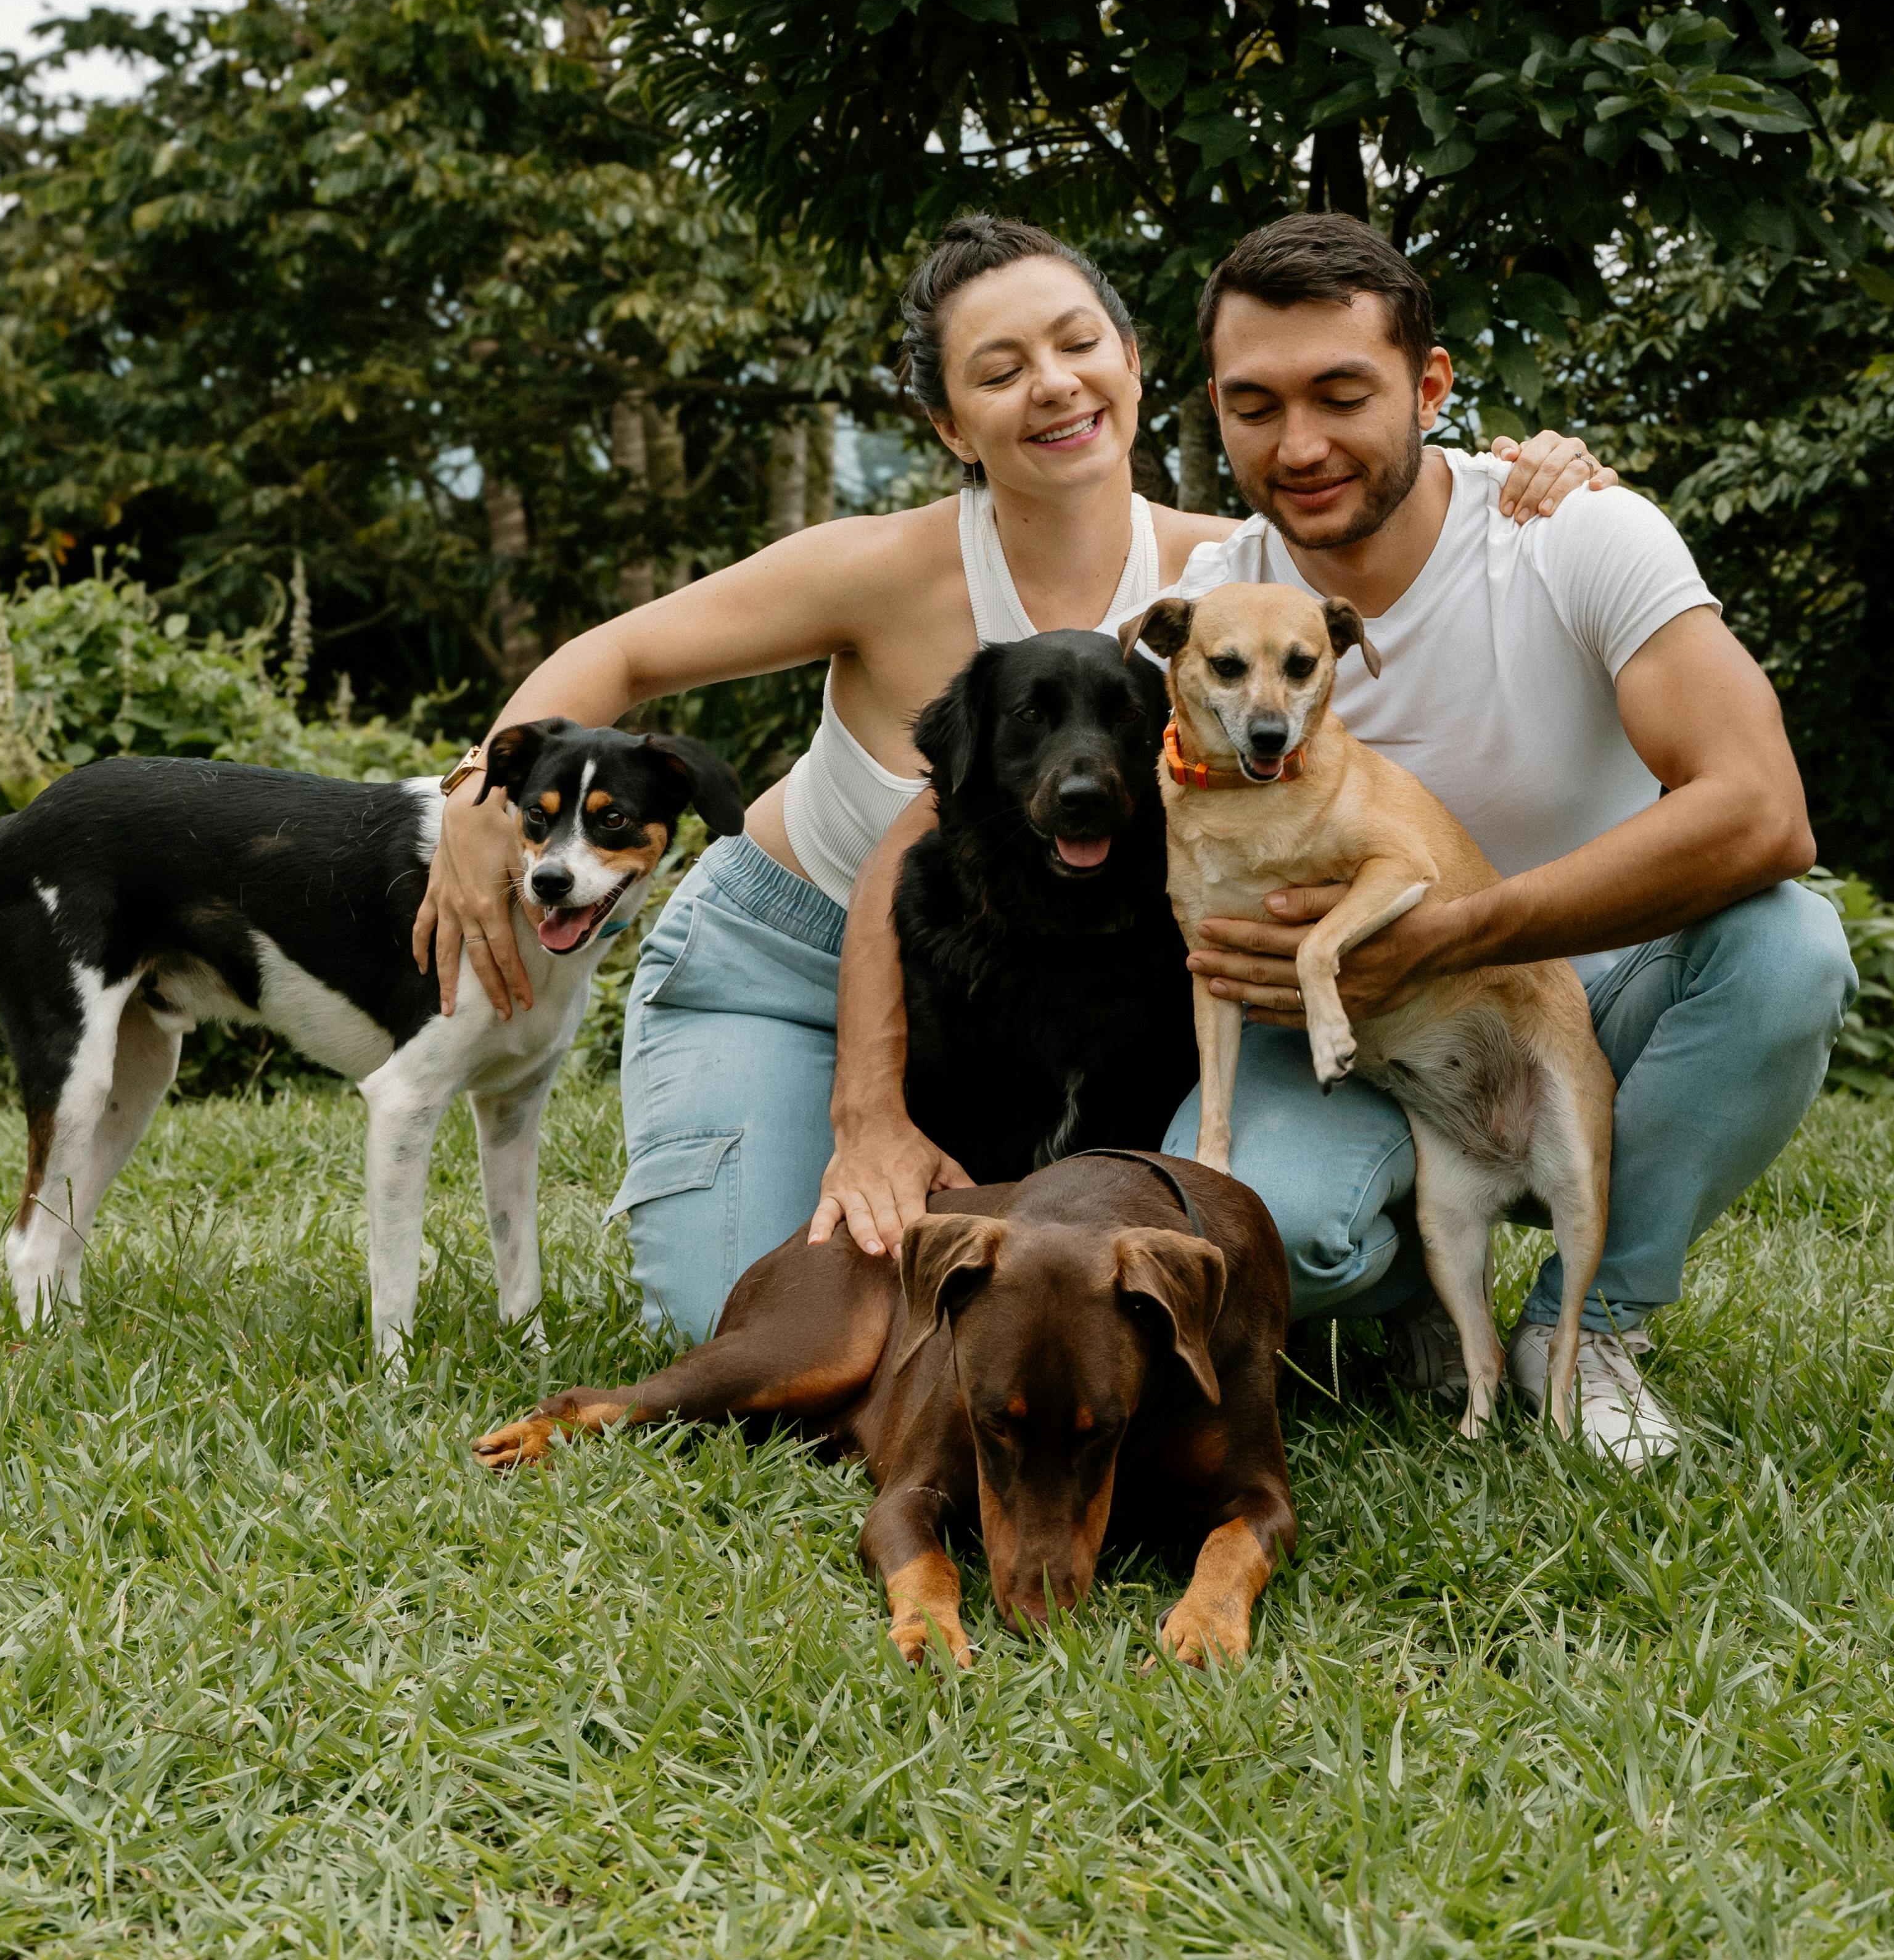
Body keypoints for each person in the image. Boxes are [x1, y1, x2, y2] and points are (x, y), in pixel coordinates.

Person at [410, 214, 1618, 1346]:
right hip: (795, 953)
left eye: (1078, 343)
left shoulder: (1223, 571)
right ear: (948, 422)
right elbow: (617, 655)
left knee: (1090, 1285)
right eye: (999, 368)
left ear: (1134, 363)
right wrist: (481, 789)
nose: (1052, 383)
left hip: (1053, 975)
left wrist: (1547, 469)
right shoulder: (885, 568)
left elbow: (1413, 509)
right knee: (748, 1318)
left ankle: (1387, 1285)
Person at [1153, 212, 1856, 1463]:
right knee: (1264, 1239)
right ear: (1215, 406)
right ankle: (1411, 1298)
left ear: (1431, 385)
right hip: (1325, 1035)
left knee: (1787, 950)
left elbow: (1765, 809)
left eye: (1342, 392)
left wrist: (1454, 931)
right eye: (1254, 404)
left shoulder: (1573, 531)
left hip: (1565, 992)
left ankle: (1588, 1331)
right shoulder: (1215, 594)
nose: (1299, 444)